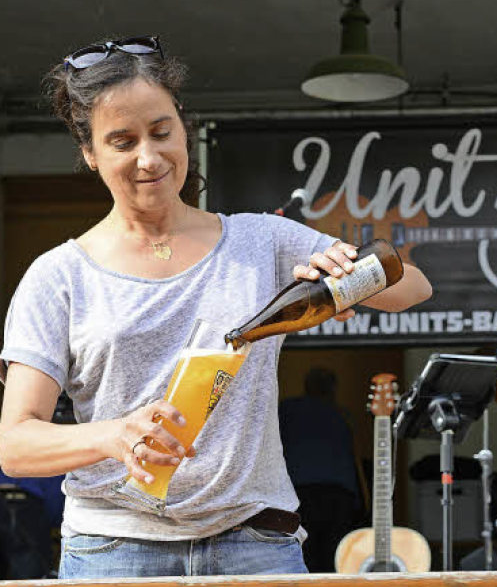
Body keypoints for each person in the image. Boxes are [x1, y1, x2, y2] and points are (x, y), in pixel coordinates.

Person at [0, 36, 432, 578]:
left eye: (161, 132)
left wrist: (349, 278)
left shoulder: (262, 242)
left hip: (255, 542)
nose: (149, 158)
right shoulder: (59, 276)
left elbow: (413, 287)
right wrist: (111, 435)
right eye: (122, 141)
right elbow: (16, 444)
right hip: (113, 551)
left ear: (183, 125)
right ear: (89, 153)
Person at [278, 368, 365, 572]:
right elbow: (354, 457)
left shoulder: (288, 409)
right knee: (336, 554)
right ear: (333, 389)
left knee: (306, 552)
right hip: (338, 493)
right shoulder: (342, 414)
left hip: (300, 490)